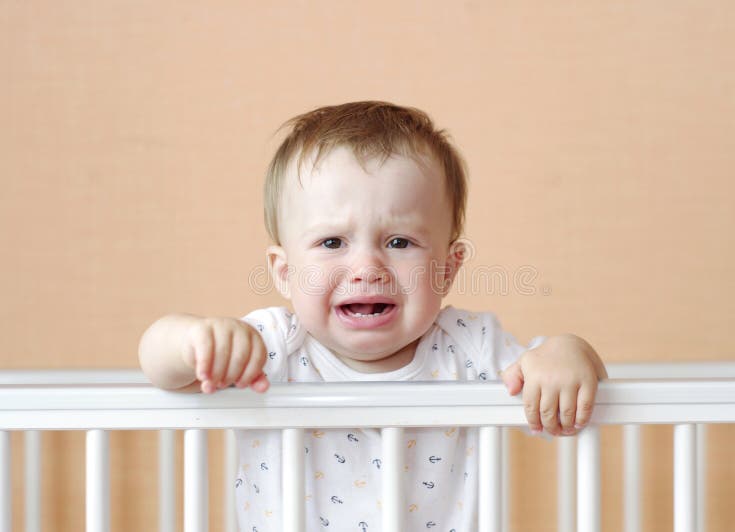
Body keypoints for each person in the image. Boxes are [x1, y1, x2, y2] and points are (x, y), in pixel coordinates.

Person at [138, 101, 608, 531]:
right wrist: (196, 340)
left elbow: (563, 388)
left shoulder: (471, 347)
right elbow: (159, 364)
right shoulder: (271, 347)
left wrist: (568, 351)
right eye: (332, 242)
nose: (367, 268)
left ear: (447, 269)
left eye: (399, 242)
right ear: (284, 272)